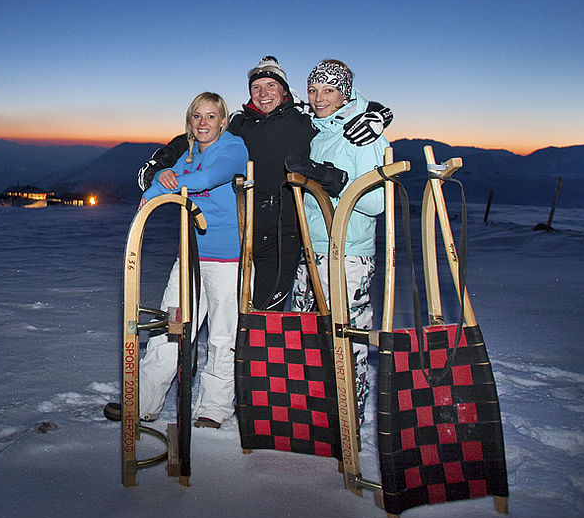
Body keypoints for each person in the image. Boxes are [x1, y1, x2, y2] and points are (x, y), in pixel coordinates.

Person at [136, 56, 392, 311]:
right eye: (256, 87)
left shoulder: (305, 121)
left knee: (267, 312)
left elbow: (337, 116)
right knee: (239, 313)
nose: (263, 93)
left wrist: (377, 112)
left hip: (286, 237)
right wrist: (159, 166)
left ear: (284, 90)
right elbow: (196, 135)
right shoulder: (240, 123)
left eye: (271, 85)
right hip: (244, 233)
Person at [106, 92, 248, 428]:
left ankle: (214, 408)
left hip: (228, 257)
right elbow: (166, 177)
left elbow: (207, 180)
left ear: (223, 121)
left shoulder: (233, 148)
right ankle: (141, 403)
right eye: (197, 116)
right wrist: (160, 179)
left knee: (223, 335)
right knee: (170, 329)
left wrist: (156, 189)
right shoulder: (188, 154)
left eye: (211, 116)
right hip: (190, 255)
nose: (203, 123)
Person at [287, 59, 390, 429]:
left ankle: (350, 421)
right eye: (313, 90)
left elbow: (377, 201)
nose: (319, 98)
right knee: (307, 334)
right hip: (313, 248)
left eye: (328, 90)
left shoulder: (362, 131)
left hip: (348, 251)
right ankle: (315, 416)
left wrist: (336, 180)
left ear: (344, 92)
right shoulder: (319, 131)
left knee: (346, 339)